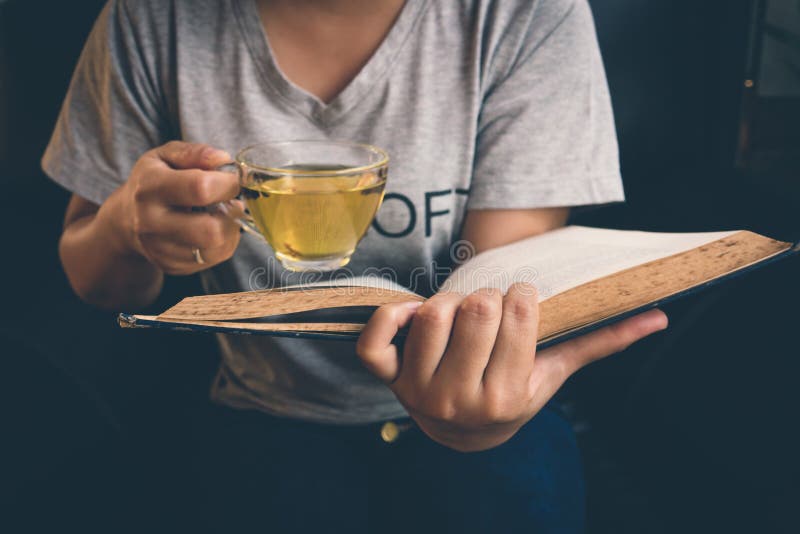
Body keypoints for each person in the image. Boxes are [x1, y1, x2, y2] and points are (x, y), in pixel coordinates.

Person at [43, 0, 668, 531]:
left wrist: (477, 419)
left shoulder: (524, 13)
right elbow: (95, 281)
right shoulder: (153, 17)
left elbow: (499, 281)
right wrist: (128, 225)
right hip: (260, 409)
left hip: (485, 412)